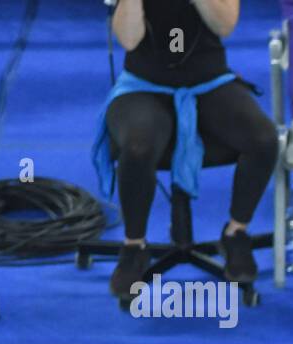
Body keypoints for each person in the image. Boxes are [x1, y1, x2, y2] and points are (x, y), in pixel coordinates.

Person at [96, 0, 278, 297]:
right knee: (138, 147)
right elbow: (128, 38)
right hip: (143, 85)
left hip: (211, 81)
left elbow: (224, 25)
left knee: (263, 139)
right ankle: (134, 245)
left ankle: (236, 232)